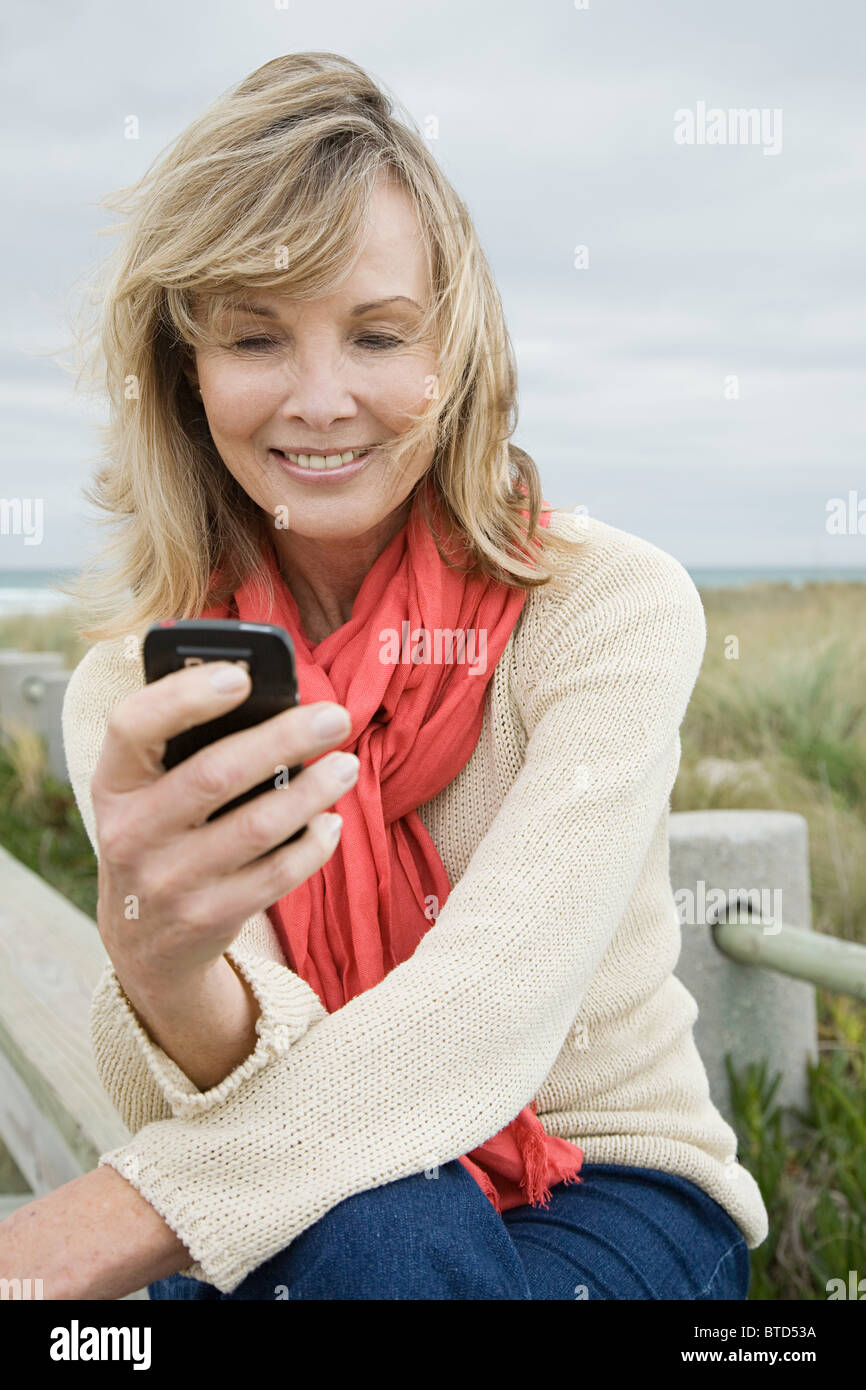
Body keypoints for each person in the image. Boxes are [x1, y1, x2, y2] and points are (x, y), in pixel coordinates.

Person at [0, 51, 767, 1300]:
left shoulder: (602, 606)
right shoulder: (131, 694)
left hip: (605, 1183)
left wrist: (96, 1227)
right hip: (307, 1195)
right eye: (254, 335)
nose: (320, 400)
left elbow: (488, 1010)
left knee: (371, 1239)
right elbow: (217, 1079)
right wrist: (163, 967)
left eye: (376, 335)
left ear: (452, 352)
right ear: (186, 374)